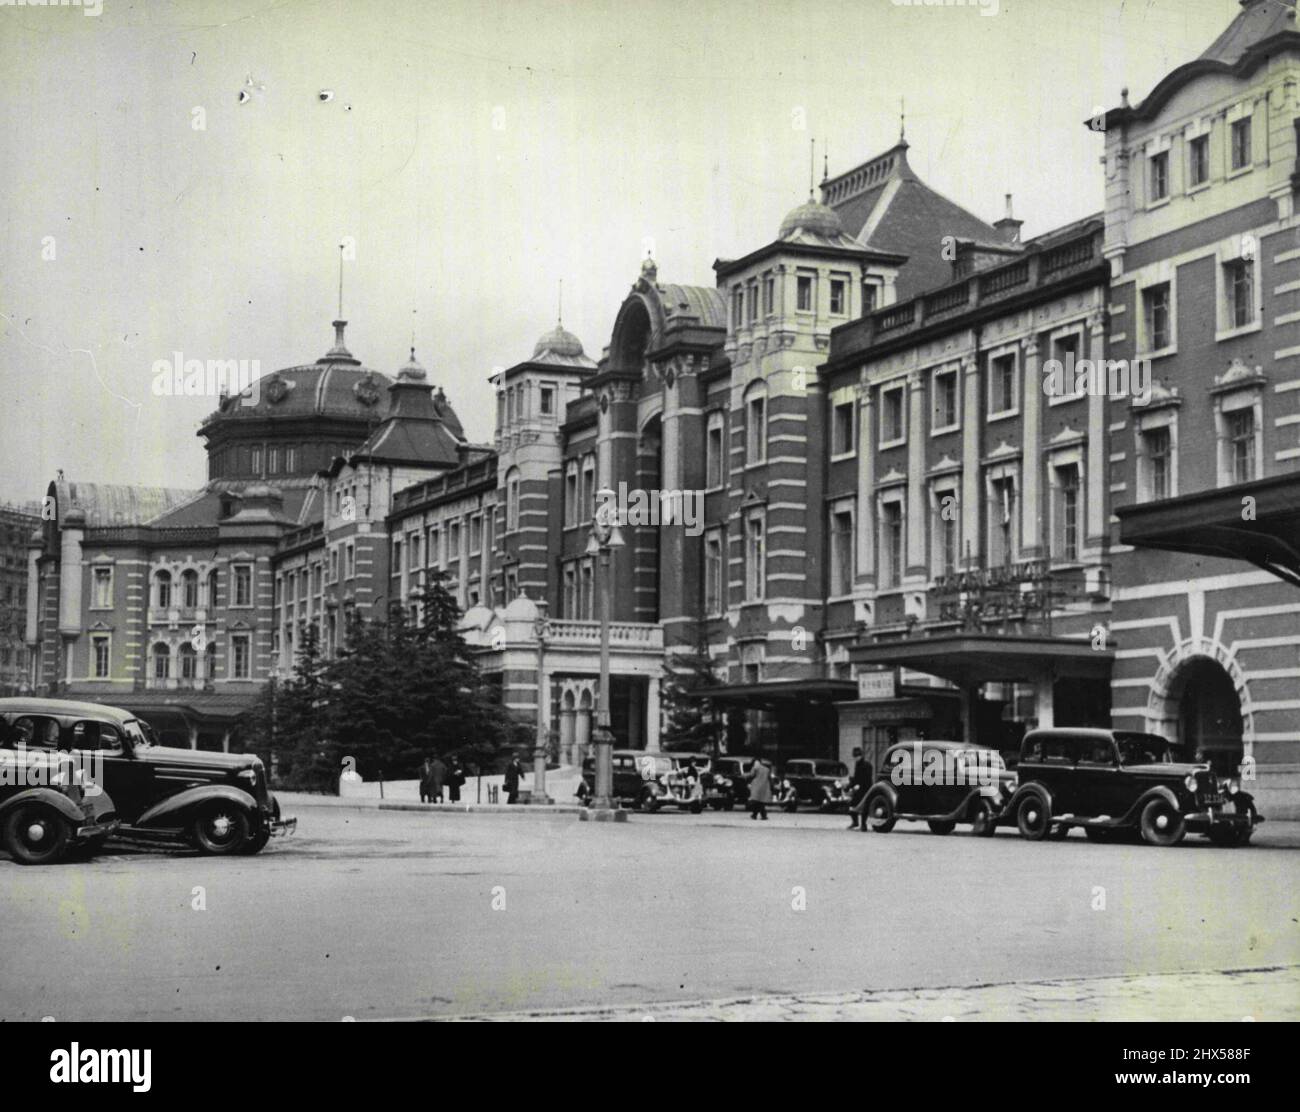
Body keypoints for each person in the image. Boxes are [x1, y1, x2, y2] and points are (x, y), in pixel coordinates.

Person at [847, 747, 873, 830]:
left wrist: (853, 785)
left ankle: (861, 824)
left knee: (861, 807)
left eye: (856, 756)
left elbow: (863, 778)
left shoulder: (865, 765)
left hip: (865, 789)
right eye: (855, 757)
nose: (855, 758)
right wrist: (851, 786)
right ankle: (859, 823)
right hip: (862, 788)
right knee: (854, 805)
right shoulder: (860, 764)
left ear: (860, 756)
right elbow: (856, 778)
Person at [746, 756, 773, 820]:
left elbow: (751, 775)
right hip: (765, 786)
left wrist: (746, 778)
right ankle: (761, 815)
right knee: (760, 801)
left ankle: (758, 815)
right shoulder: (767, 769)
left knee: (757, 801)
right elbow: (770, 778)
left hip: (756, 785)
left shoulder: (755, 768)